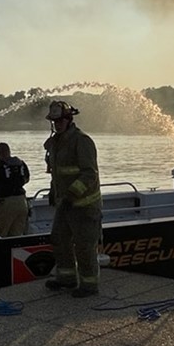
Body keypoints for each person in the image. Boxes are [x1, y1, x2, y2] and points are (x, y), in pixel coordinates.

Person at [42, 100, 102, 297]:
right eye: (54, 122)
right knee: (59, 240)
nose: (57, 125)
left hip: (84, 206)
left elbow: (89, 174)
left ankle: (89, 286)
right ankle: (67, 279)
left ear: (68, 119)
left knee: (84, 247)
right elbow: (58, 173)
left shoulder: (81, 141)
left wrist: (71, 194)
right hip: (65, 204)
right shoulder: (57, 143)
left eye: (60, 121)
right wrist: (54, 192)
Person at [0, 142, 31, 237]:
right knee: (17, 233)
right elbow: (26, 179)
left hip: (6, 203)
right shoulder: (21, 163)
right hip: (22, 202)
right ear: (9, 151)